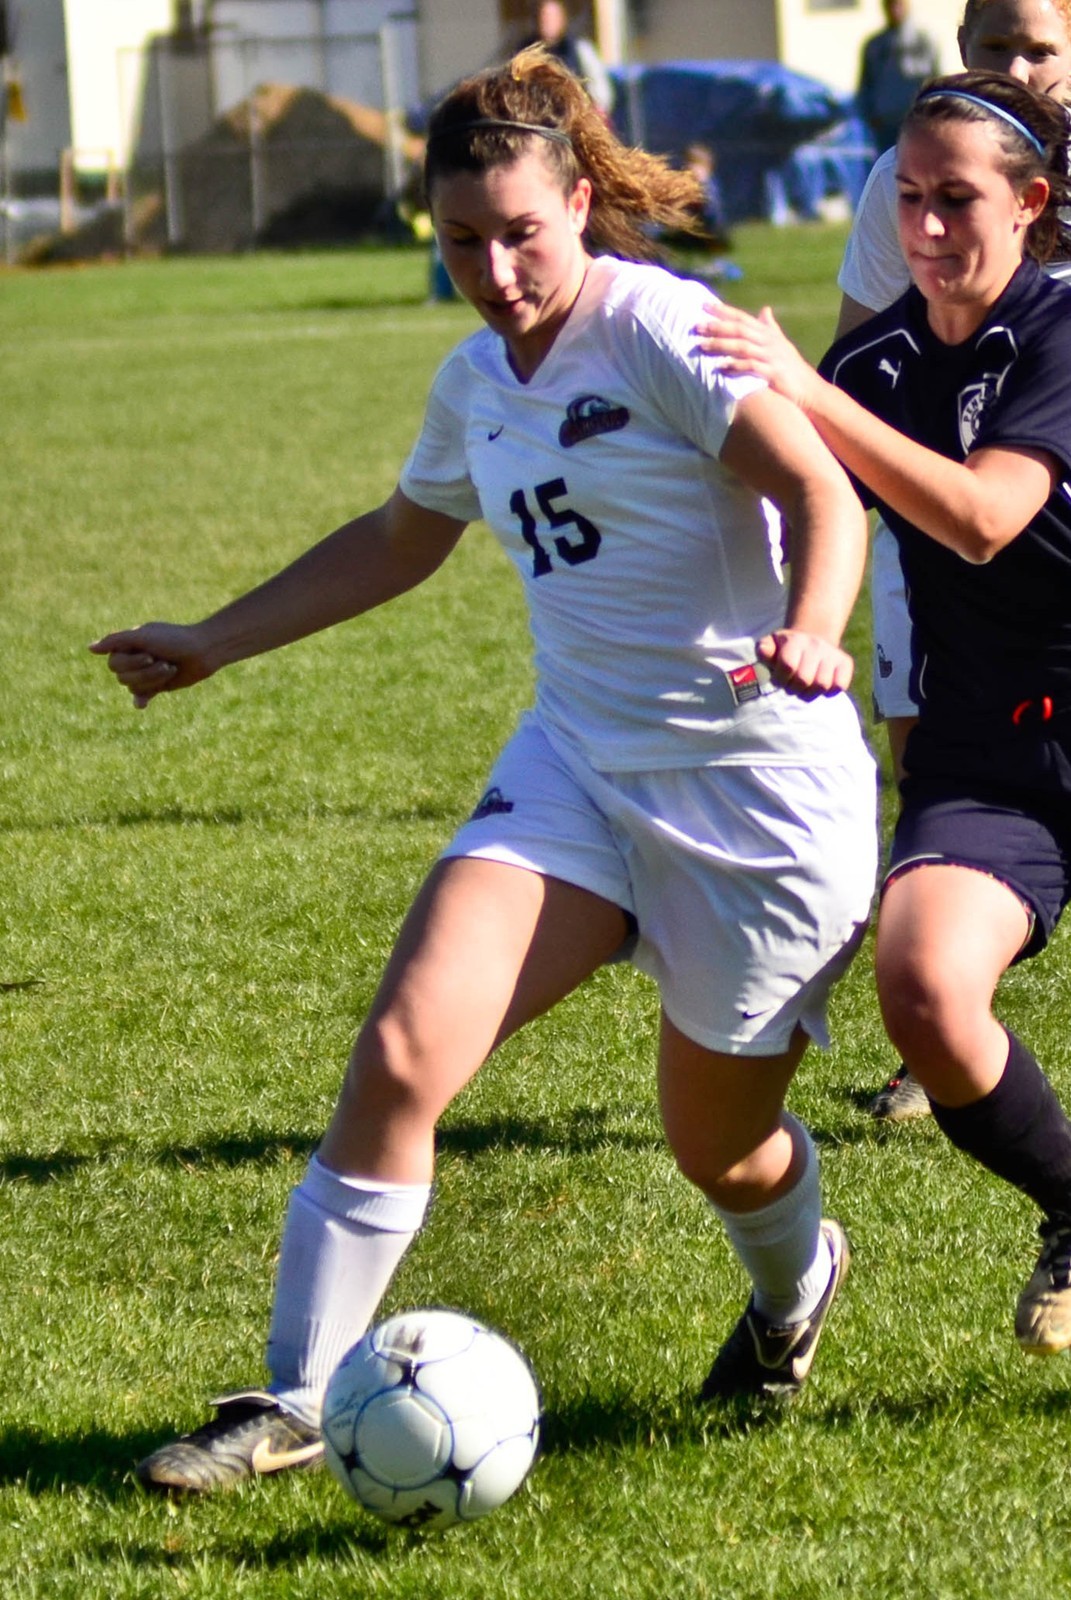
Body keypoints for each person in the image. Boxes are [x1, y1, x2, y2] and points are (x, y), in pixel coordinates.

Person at [93, 48, 877, 1492]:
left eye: (521, 232)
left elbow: (821, 491)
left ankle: (793, 1280)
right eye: (461, 240)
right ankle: (288, 1396)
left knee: (716, 1150)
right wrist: (216, 639)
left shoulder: (659, 328)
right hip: (577, 767)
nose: (497, 269)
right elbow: (400, 539)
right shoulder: (474, 381)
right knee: (399, 1056)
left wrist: (811, 632)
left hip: (757, 791)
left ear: (579, 200)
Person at [696, 70, 1071, 1367]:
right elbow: (797, 509)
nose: (921, 228)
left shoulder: (1061, 333)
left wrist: (809, 394)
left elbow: (977, 518)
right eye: (904, 199)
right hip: (993, 755)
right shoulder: (876, 362)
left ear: (1028, 206)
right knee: (917, 986)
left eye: (953, 200)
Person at [838, 0, 1071, 1120]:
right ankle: (940, 1024)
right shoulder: (914, 174)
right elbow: (854, 375)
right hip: (951, 563)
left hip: (1016, 521)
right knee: (925, 930)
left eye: (1040, 46)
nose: (924, 226)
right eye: (994, 45)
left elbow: (992, 510)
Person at [857, 0, 941, 156]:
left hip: (917, 122)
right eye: (890, 5)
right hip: (886, 126)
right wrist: (870, 117)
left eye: (899, 4)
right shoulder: (875, 45)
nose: (895, 9)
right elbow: (865, 86)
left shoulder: (923, 41)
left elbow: (935, 81)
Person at [519, 1, 615, 119]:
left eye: (552, 18)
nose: (547, 22)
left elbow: (599, 86)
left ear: (562, 19)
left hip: (576, 117)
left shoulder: (579, 48)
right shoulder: (525, 52)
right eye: (544, 17)